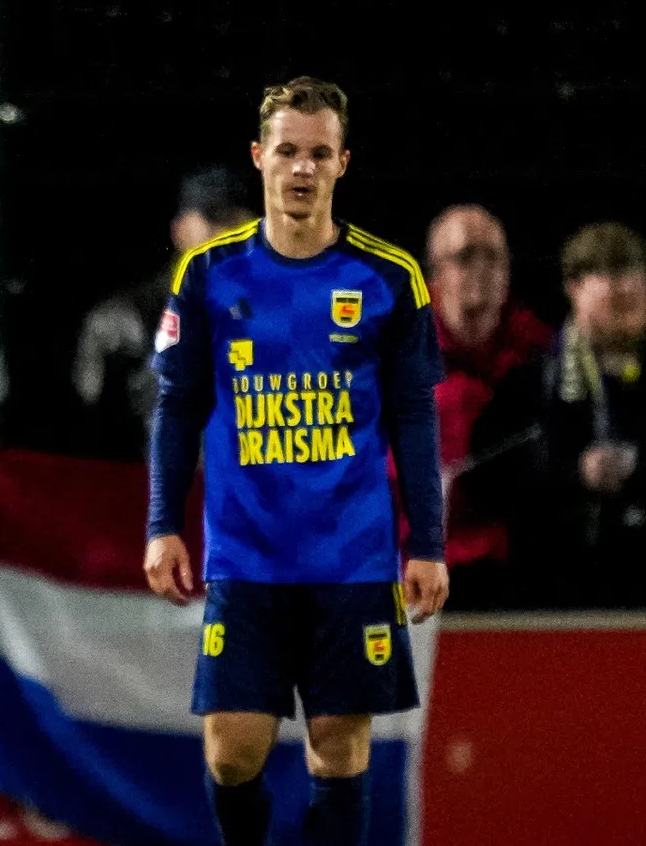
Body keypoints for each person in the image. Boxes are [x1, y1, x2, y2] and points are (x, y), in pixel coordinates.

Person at [143, 77, 448, 846]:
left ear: (343, 162)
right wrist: (161, 524)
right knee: (232, 750)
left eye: (319, 153)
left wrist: (429, 543)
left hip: (353, 556)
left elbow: (415, 417)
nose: (302, 168)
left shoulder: (388, 277)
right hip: (247, 556)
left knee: (337, 748)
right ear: (259, 158)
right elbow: (177, 407)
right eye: (287, 151)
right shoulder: (208, 274)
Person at [470, 222, 646, 610]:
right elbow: (488, 481)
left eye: (635, 273)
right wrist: (576, 475)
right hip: (573, 609)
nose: (626, 288)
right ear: (573, 286)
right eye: (609, 273)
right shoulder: (537, 380)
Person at [419, 205, 552, 610]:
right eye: (465, 257)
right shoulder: (396, 357)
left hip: (522, 573)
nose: (482, 270)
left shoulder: (542, 354)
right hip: (422, 576)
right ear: (434, 274)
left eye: (493, 257)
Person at [73, 166, 255, 460]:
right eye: (216, 221)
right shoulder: (123, 321)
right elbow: (90, 441)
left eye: (244, 225)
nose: (230, 237)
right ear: (181, 231)